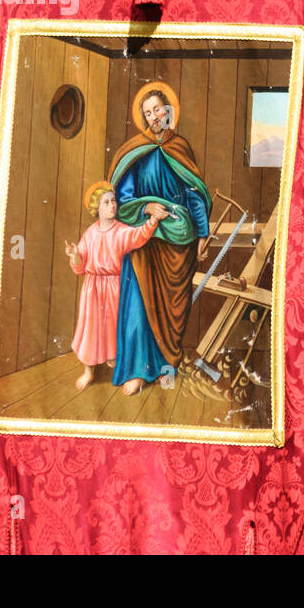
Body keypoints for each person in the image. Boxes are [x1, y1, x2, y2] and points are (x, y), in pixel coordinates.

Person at [110, 83, 211, 396]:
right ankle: (138, 371)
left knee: (173, 308)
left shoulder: (181, 147)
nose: (153, 116)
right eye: (147, 112)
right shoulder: (135, 150)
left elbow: (194, 195)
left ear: (169, 110)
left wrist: (202, 234)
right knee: (140, 304)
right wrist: (146, 206)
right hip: (145, 238)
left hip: (178, 240)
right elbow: (123, 196)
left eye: (157, 109)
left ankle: (168, 365)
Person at [64, 182, 167, 390]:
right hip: (93, 289)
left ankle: (113, 360)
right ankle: (88, 371)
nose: (112, 205)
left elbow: (139, 236)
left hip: (115, 287)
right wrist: (75, 255)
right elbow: (80, 267)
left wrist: (154, 219)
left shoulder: (121, 231)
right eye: (106, 202)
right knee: (92, 329)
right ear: (97, 208)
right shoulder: (90, 234)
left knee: (112, 328)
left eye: (114, 201)